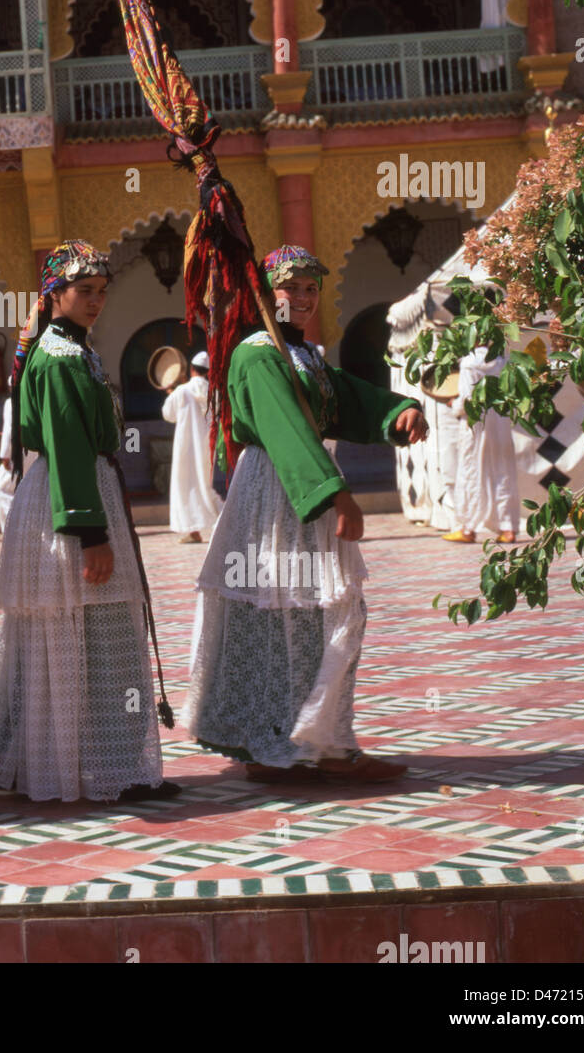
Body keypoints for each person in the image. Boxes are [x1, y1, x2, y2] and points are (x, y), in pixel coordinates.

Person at [182, 245, 429, 784]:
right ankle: (277, 747)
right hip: (276, 491)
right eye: (290, 287)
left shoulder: (305, 355)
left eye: (311, 288)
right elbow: (286, 431)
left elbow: (343, 397)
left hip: (305, 484)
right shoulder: (255, 353)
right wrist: (335, 494)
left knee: (322, 616)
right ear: (266, 294)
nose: (302, 297)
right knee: (284, 613)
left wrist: (397, 409)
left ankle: (324, 741)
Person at [0, 240, 177, 804]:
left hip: (77, 493)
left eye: (100, 292)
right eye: (83, 291)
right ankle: (86, 768)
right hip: (71, 502)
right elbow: (67, 446)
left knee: (86, 637)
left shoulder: (72, 349)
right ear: (55, 294)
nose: (95, 301)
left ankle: (73, 763)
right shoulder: (61, 357)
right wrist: (91, 534)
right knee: (88, 635)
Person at [443, 346, 520, 545]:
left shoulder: (469, 361)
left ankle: (468, 528)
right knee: (503, 471)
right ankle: (507, 527)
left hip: (475, 424)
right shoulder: (502, 360)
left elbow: (469, 400)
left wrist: (455, 405)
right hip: (500, 421)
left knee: (471, 471)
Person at [162, 352, 223, 547]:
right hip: (208, 444)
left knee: (186, 485)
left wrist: (171, 395)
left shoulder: (182, 391)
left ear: (191, 369)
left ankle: (195, 530)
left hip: (186, 447)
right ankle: (218, 524)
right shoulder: (213, 391)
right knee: (208, 483)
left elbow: (168, 415)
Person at [0, 382, 18, 533]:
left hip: (15, 455)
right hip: (34, 454)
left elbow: (9, 429)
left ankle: (12, 530)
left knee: (4, 492)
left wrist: (5, 455)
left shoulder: (11, 403)